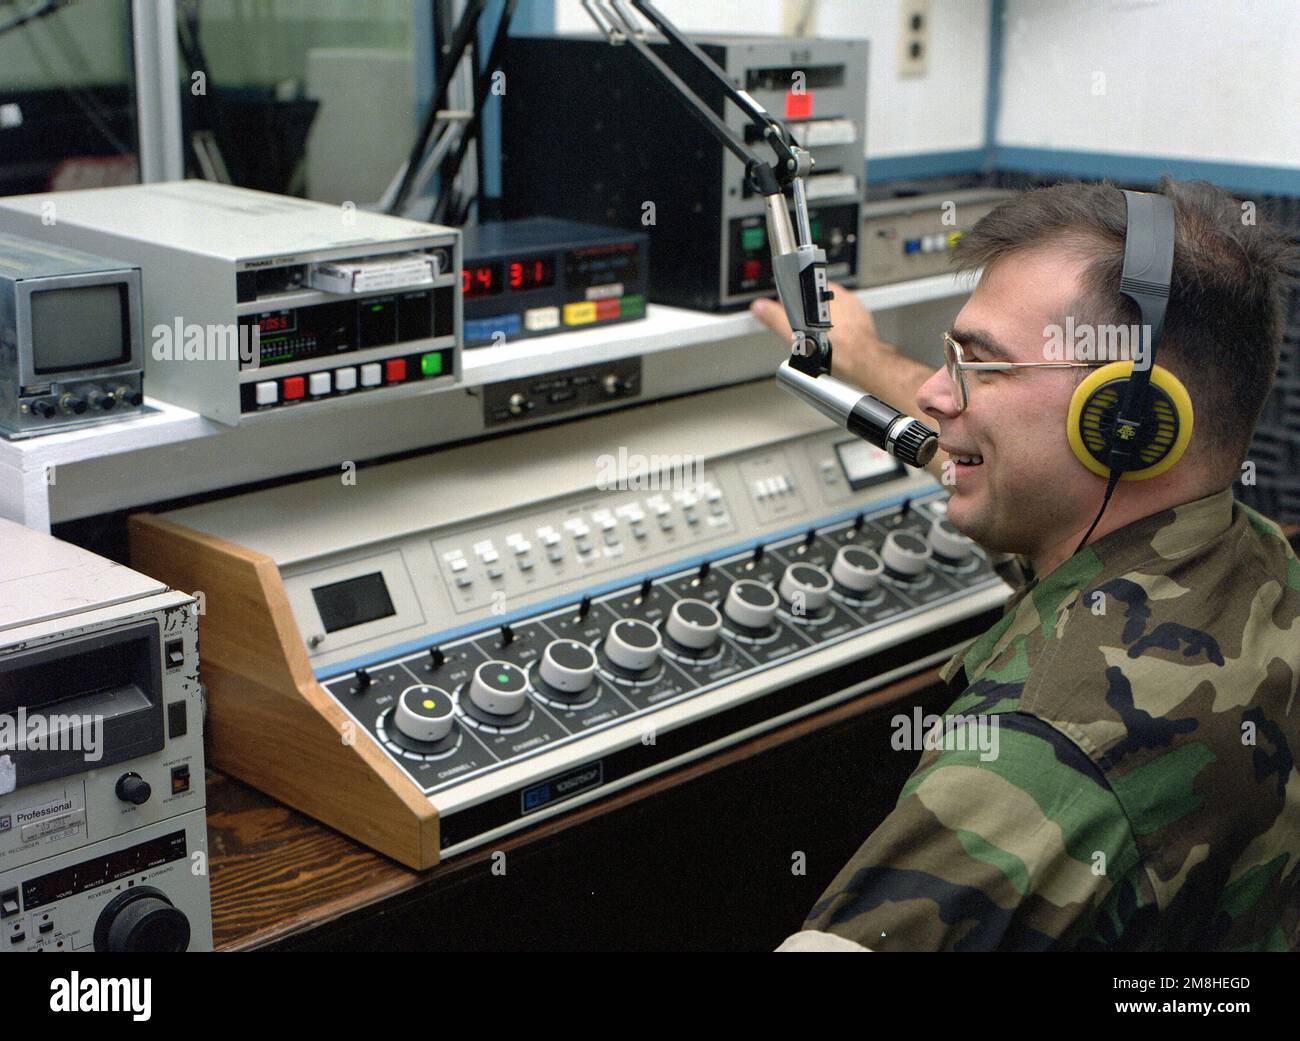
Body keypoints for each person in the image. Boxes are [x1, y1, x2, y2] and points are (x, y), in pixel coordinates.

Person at [753, 178, 1300, 951]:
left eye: (980, 364)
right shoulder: (1250, 552)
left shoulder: (1050, 747)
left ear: (1125, 423)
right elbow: (992, 443)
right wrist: (865, 353)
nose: (939, 396)